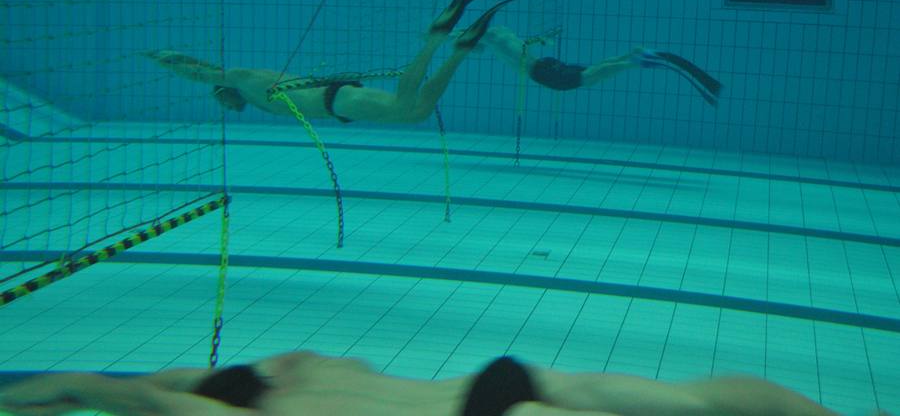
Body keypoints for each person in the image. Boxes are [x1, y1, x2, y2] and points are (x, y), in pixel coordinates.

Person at [144, 0, 528, 125]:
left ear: (224, 88)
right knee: (418, 113)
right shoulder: (250, 87)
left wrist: (163, 57)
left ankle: (435, 41)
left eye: (221, 98)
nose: (227, 105)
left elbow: (200, 72)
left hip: (335, 100)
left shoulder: (242, 78)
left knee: (401, 106)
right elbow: (208, 74)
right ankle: (461, 50)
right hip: (336, 101)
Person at [0, 349, 869, 416]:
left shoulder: (262, 388)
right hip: (497, 381)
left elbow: (118, 389)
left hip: (472, 413)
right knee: (705, 400)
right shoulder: (300, 366)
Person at [473, 25, 724, 107]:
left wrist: (440, 35)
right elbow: (485, 43)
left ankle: (635, 60)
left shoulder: (492, 38)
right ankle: (635, 55)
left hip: (545, 72)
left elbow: (469, 41)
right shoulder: (501, 34)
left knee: (590, 76)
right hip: (546, 66)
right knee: (592, 70)